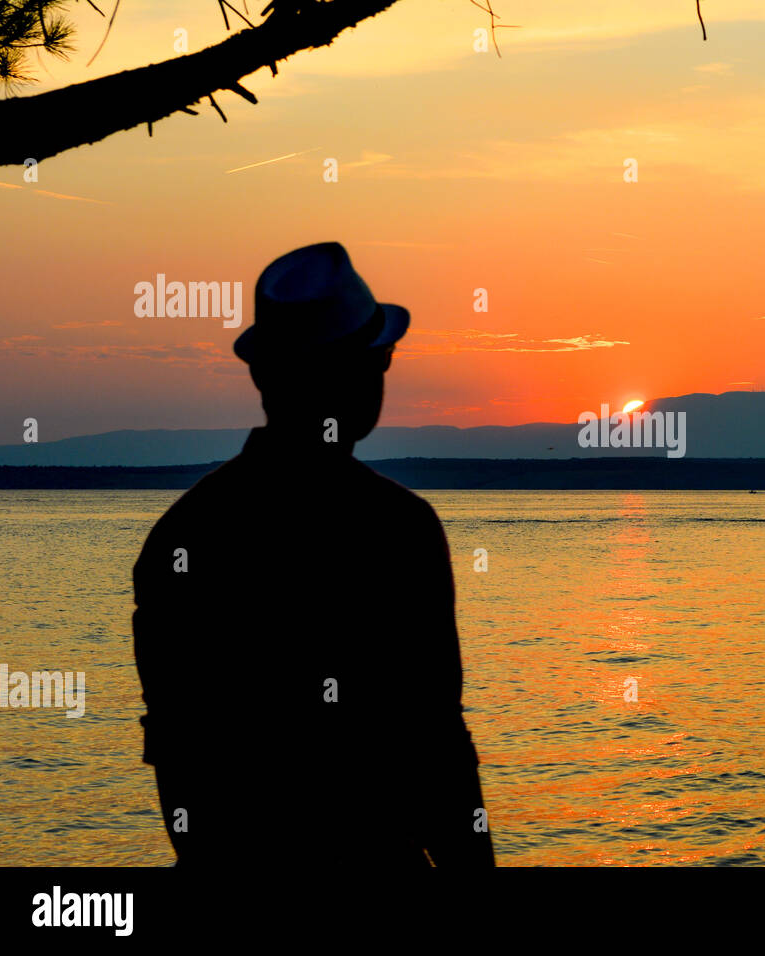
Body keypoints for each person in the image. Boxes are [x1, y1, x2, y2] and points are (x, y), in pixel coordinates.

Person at [132, 242, 494, 868]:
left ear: (263, 377)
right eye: (379, 361)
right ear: (357, 375)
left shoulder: (181, 537)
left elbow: (179, 759)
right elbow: (438, 751)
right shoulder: (397, 531)